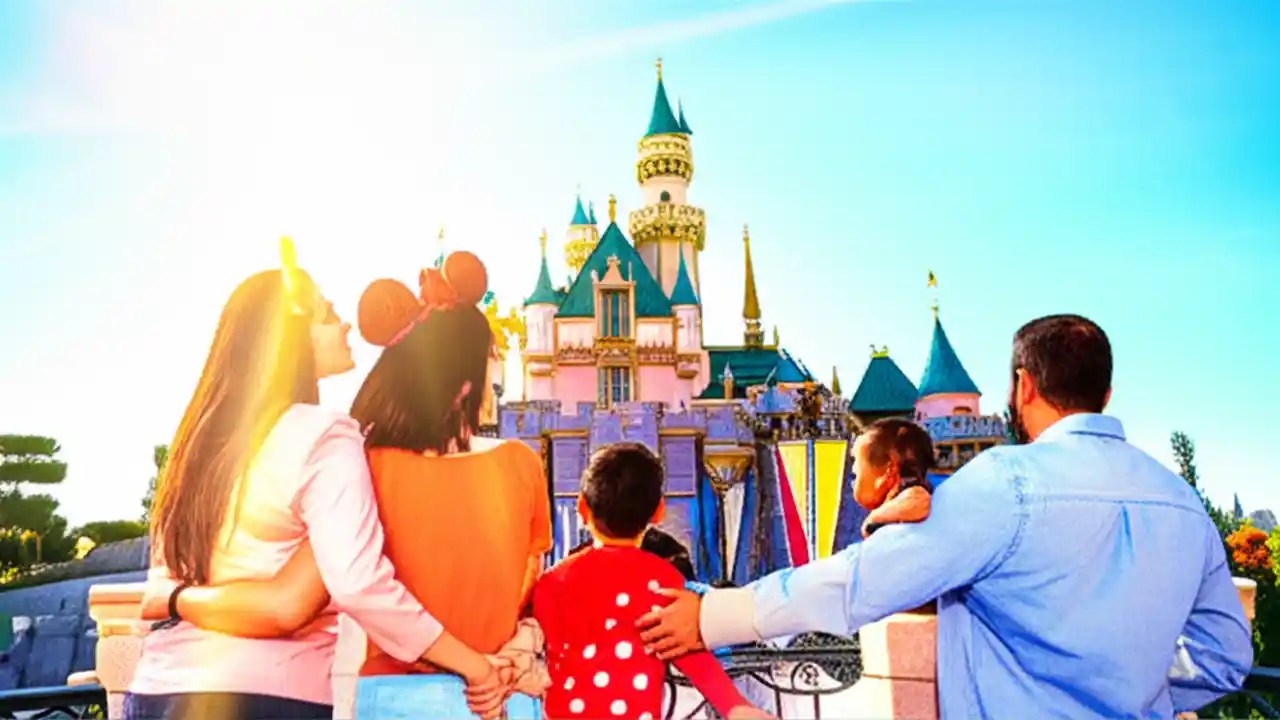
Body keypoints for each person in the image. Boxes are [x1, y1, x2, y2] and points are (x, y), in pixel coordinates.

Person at [638, 314, 1253, 718]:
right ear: (1106, 395)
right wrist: (1138, 682)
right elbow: (1225, 656)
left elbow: (865, 580)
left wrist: (717, 613)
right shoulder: (1183, 504)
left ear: (1023, 388)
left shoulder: (1005, 484)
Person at [138, 251, 546, 718]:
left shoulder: (199, 447)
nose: (347, 326)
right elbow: (326, 593)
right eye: (329, 316)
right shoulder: (326, 437)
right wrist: (475, 667)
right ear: (292, 336)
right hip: (266, 696)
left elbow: (170, 582)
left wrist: (174, 599)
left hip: (158, 686)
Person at [531, 442, 769, 720]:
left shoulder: (552, 582)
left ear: (582, 507)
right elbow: (690, 652)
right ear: (658, 511)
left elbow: (529, 647)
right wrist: (735, 706)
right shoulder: (662, 580)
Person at [852, 418, 935, 538]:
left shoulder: (912, 496)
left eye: (856, 476)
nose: (853, 485)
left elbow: (918, 498)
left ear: (889, 470)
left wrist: (873, 522)